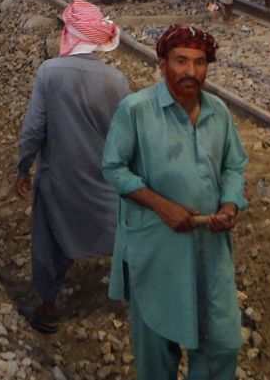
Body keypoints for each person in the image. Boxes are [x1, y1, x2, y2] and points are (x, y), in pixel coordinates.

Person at [102, 25, 248, 380]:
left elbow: (233, 164)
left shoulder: (218, 112)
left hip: (209, 249)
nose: (191, 72)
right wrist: (161, 206)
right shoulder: (136, 110)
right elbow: (113, 167)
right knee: (157, 349)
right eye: (181, 61)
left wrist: (230, 204)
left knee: (221, 344)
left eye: (199, 63)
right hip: (156, 249)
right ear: (163, 63)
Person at [14, 0, 126, 334]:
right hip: (103, 180)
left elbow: (34, 128)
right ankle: (134, 297)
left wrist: (23, 167)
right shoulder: (117, 81)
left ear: (70, 35)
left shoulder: (50, 72)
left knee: (50, 237)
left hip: (59, 178)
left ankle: (49, 307)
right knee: (120, 235)